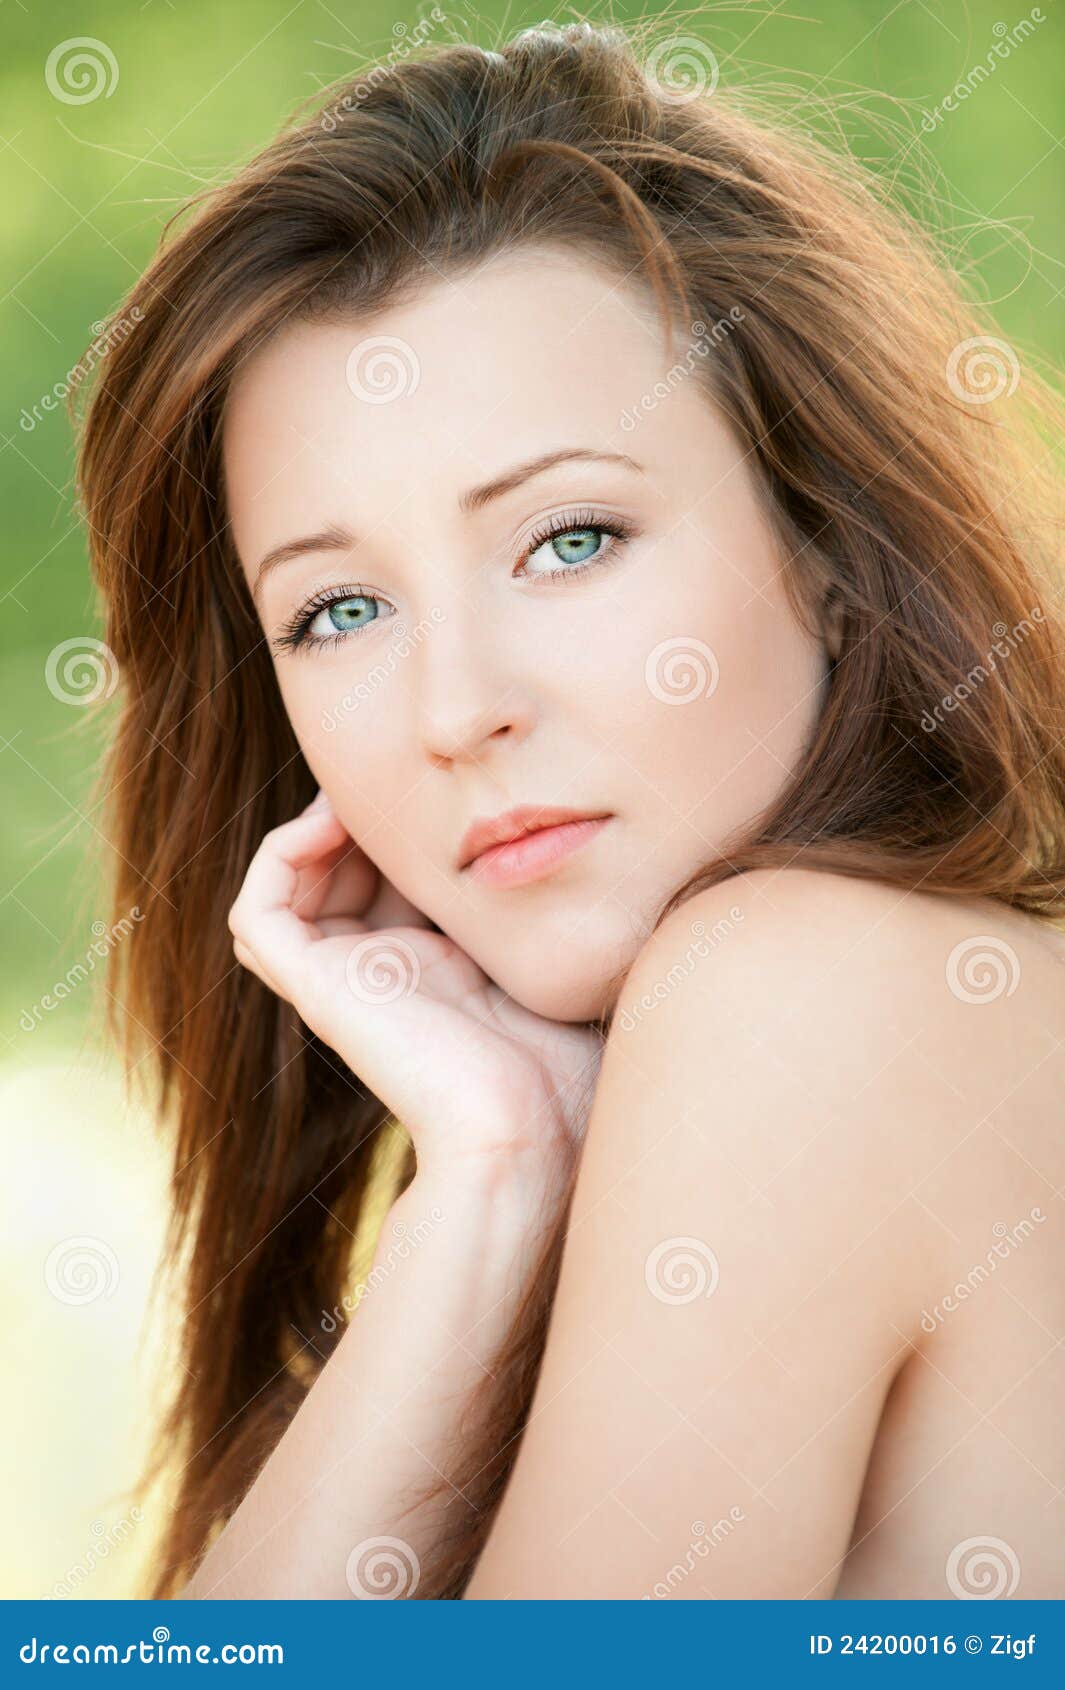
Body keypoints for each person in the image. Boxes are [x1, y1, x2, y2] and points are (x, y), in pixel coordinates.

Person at [71, 21, 1065, 1599]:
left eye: (570, 537)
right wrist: (487, 1178)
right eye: (338, 612)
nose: (457, 709)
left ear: (822, 539)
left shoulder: (803, 984)